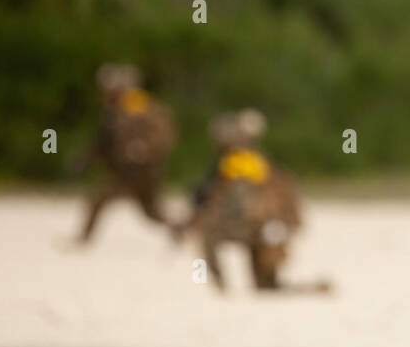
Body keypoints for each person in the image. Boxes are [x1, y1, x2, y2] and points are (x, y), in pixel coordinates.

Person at [185, 109, 304, 291]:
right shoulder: (237, 164)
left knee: (266, 285)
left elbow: (284, 201)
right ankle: (222, 285)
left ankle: (225, 285)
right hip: (248, 226)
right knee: (209, 239)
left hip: (260, 227)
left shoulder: (254, 165)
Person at [74, 63, 177, 244]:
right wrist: (86, 158)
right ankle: (181, 230)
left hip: (143, 171)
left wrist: (144, 149)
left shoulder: (141, 107)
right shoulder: (113, 111)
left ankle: (83, 239)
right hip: (125, 170)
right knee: (151, 213)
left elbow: (164, 135)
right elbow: (103, 141)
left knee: (148, 212)